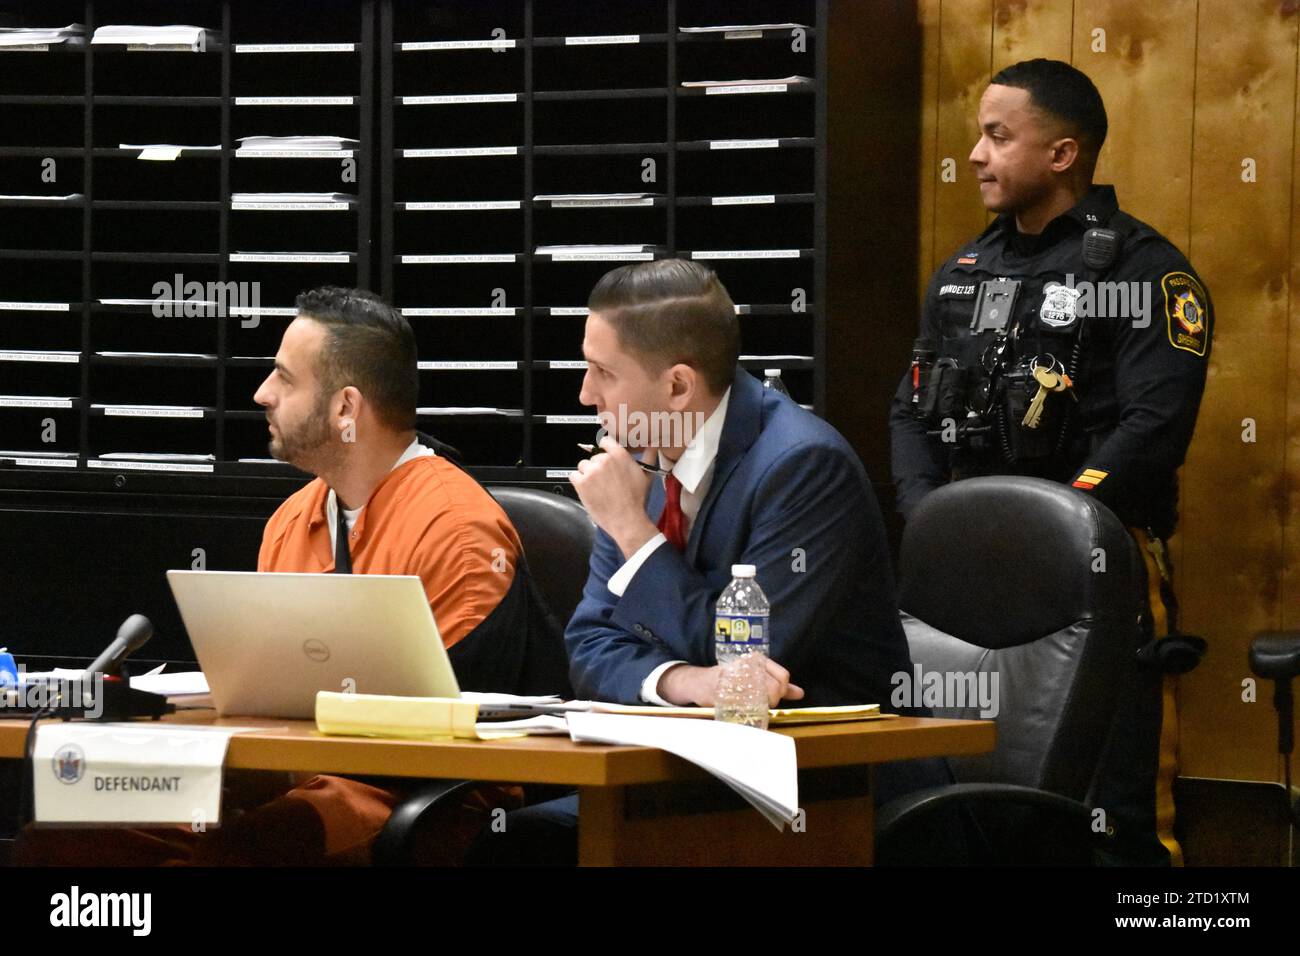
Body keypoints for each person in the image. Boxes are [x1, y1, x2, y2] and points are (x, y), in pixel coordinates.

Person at [17, 287, 525, 865]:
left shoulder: (458, 530)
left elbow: (461, 736)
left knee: (221, 853)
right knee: (64, 837)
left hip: (403, 796)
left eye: (285, 378)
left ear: (345, 408)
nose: (262, 393)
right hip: (282, 774)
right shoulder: (291, 520)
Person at [468, 259, 931, 865]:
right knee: (519, 843)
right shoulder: (642, 450)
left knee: (548, 845)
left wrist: (633, 531)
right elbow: (588, 645)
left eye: (603, 372)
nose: (585, 394)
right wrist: (683, 682)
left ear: (678, 386)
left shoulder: (802, 467)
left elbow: (744, 659)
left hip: (828, 783)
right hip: (692, 764)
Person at [888, 59, 1213, 865]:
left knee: (1112, 816)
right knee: (958, 795)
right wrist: (929, 514)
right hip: (961, 573)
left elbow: (1153, 424)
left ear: (1062, 154)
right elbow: (910, 405)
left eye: (998, 136)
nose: (974, 153)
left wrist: (1057, 526)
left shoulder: (1143, 273)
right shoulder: (965, 272)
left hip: (1097, 563)